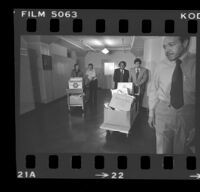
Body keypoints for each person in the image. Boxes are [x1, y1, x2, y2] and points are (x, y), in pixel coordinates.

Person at [148, 36, 195, 154]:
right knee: (162, 150)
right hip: (163, 111)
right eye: (165, 46)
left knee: (182, 150)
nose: (167, 50)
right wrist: (151, 113)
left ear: (185, 42)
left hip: (188, 114)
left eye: (171, 44)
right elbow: (154, 89)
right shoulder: (160, 65)